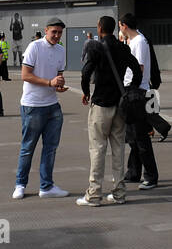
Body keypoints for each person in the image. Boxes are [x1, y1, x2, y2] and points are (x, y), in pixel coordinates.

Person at [77, 15, 141, 206]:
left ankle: (94, 194)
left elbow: (85, 72)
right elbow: (136, 70)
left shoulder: (96, 48)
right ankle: (119, 193)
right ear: (114, 29)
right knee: (119, 149)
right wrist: (131, 89)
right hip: (119, 105)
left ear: (99, 28)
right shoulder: (123, 47)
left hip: (101, 104)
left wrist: (86, 92)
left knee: (97, 149)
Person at [13, 19, 70, 199]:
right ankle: (20, 184)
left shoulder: (61, 50)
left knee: (50, 148)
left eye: (60, 32)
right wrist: (49, 83)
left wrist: (59, 84)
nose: (57, 35)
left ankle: (46, 186)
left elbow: (58, 75)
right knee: (28, 147)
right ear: (46, 30)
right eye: (54, 32)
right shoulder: (34, 47)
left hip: (52, 105)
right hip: (33, 105)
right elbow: (25, 75)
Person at [119, 13, 159, 189]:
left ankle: (150, 176)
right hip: (131, 90)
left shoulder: (140, 42)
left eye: (120, 26)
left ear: (123, 25)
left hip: (137, 91)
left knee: (140, 136)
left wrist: (132, 90)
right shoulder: (133, 42)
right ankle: (133, 172)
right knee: (132, 136)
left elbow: (140, 67)